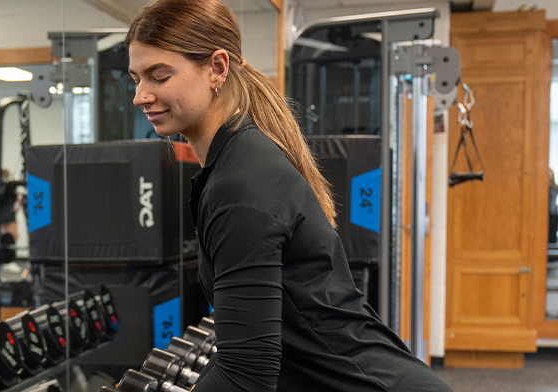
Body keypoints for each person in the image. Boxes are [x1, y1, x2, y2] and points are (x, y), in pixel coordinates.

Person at [126, 1, 452, 390]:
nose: (140, 96)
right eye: (136, 79)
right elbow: (243, 351)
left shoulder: (240, 185)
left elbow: (245, 374)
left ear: (217, 68)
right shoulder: (238, 163)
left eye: (158, 77)